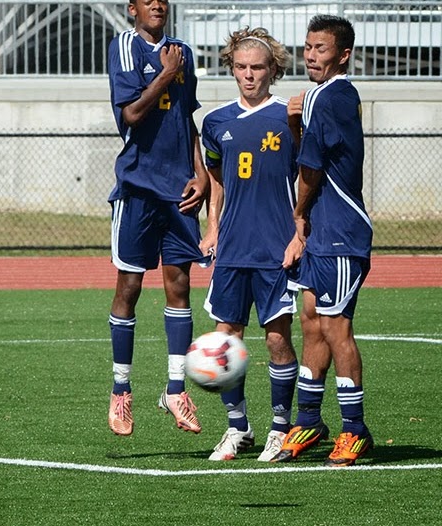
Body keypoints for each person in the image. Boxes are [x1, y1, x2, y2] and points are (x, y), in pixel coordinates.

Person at [105, 0, 210, 438]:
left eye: (163, 0)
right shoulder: (125, 47)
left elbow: (186, 119)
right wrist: (164, 74)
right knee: (129, 287)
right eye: (148, 0)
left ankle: (174, 389)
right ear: (132, 9)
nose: (158, 5)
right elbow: (129, 114)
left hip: (180, 190)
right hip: (139, 191)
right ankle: (120, 391)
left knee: (180, 285)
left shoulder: (182, 50)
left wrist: (202, 173)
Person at [272, 15, 374, 467]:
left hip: (341, 234)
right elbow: (307, 155)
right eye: (308, 46)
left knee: (336, 327)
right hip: (322, 232)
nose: (311, 55)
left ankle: (355, 430)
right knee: (312, 321)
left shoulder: (331, 96)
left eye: (321, 48)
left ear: (343, 54)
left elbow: (310, 171)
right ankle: (310, 419)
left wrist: (297, 217)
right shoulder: (318, 98)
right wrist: (294, 125)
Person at [198, 28, 299, 461]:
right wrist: (213, 227)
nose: (249, 75)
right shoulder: (216, 123)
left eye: (257, 67)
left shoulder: (291, 115)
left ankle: (281, 428)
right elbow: (216, 181)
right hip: (234, 248)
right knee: (226, 340)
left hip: (277, 248)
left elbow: (310, 178)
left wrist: (300, 232)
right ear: (231, 69)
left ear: (273, 69)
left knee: (277, 338)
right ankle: (238, 427)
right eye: (241, 67)